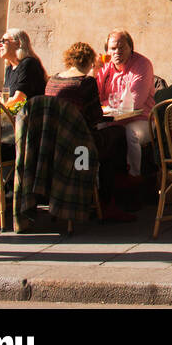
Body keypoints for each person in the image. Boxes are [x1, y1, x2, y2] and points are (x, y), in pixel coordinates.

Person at [46, 42, 132, 222]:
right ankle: (109, 201)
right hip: (80, 148)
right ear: (90, 61)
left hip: (55, 146)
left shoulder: (53, 80)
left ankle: (99, 197)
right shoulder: (85, 82)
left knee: (110, 139)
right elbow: (94, 118)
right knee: (117, 136)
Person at [93, 30, 156, 179]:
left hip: (143, 119)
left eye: (121, 48)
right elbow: (95, 97)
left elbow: (134, 103)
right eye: (113, 49)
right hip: (113, 120)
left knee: (131, 132)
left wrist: (107, 104)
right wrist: (94, 71)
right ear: (107, 50)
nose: (117, 52)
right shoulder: (106, 65)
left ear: (131, 48)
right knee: (93, 132)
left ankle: (134, 176)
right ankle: (97, 181)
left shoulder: (142, 64)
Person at [0, 29, 47, 99]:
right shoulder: (9, 68)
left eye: (3, 41)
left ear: (17, 44)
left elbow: (19, 98)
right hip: (12, 109)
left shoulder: (29, 64)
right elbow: (7, 96)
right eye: (0, 41)